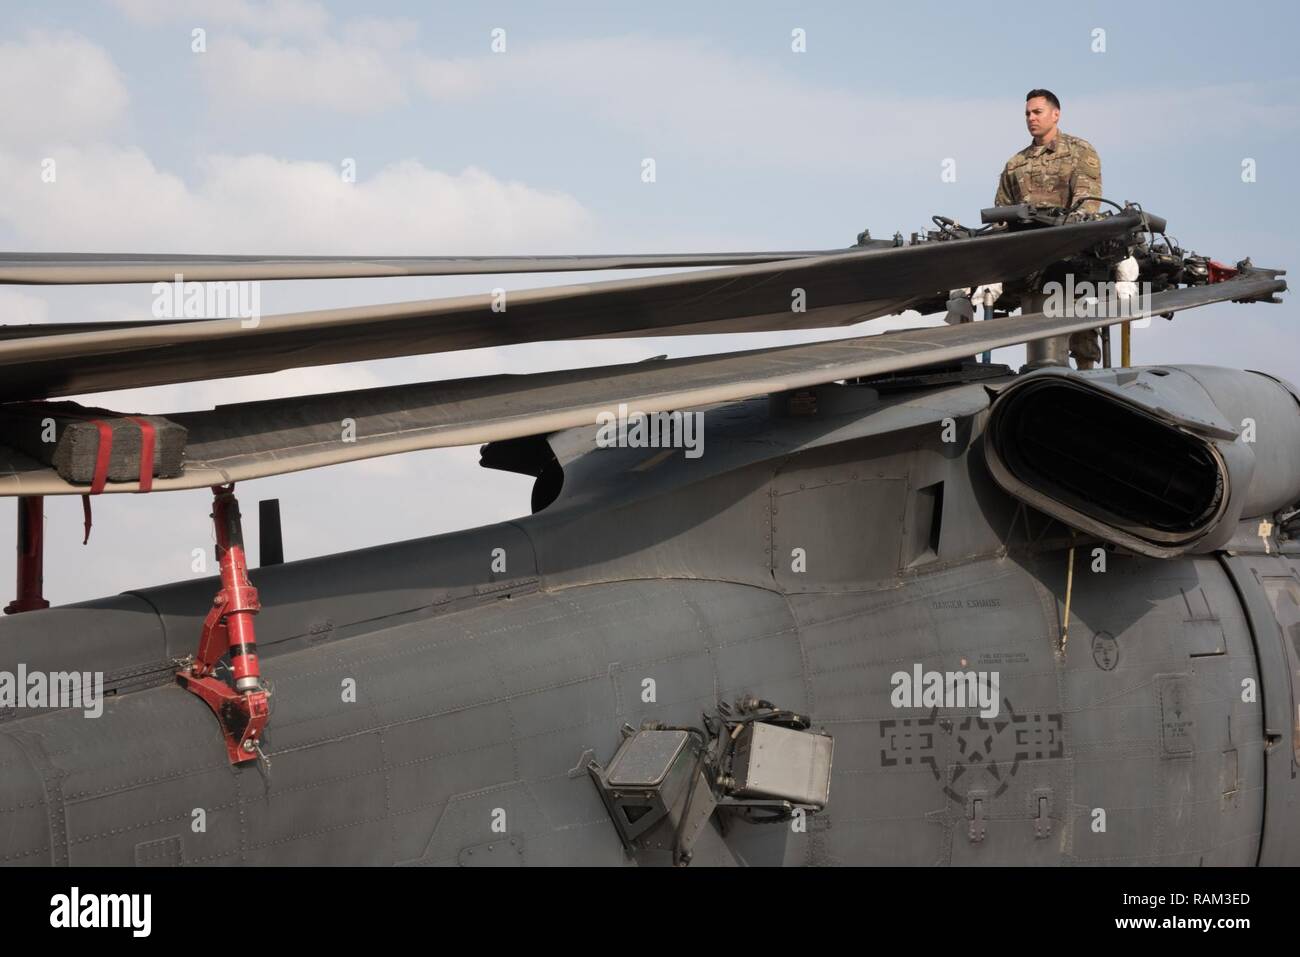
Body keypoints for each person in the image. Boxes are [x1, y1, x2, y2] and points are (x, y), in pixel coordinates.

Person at [995, 89, 1104, 369]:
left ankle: (1086, 378)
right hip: (1029, 257)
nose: (1031, 118)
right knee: (1037, 331)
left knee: (1080, 326)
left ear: (1056, 114)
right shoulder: (1015, 164)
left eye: (1037, 112)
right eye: (1027, 114)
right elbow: (1001, 215)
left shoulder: (1079, 150)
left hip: (1069, 251)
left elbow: (1087, 205)